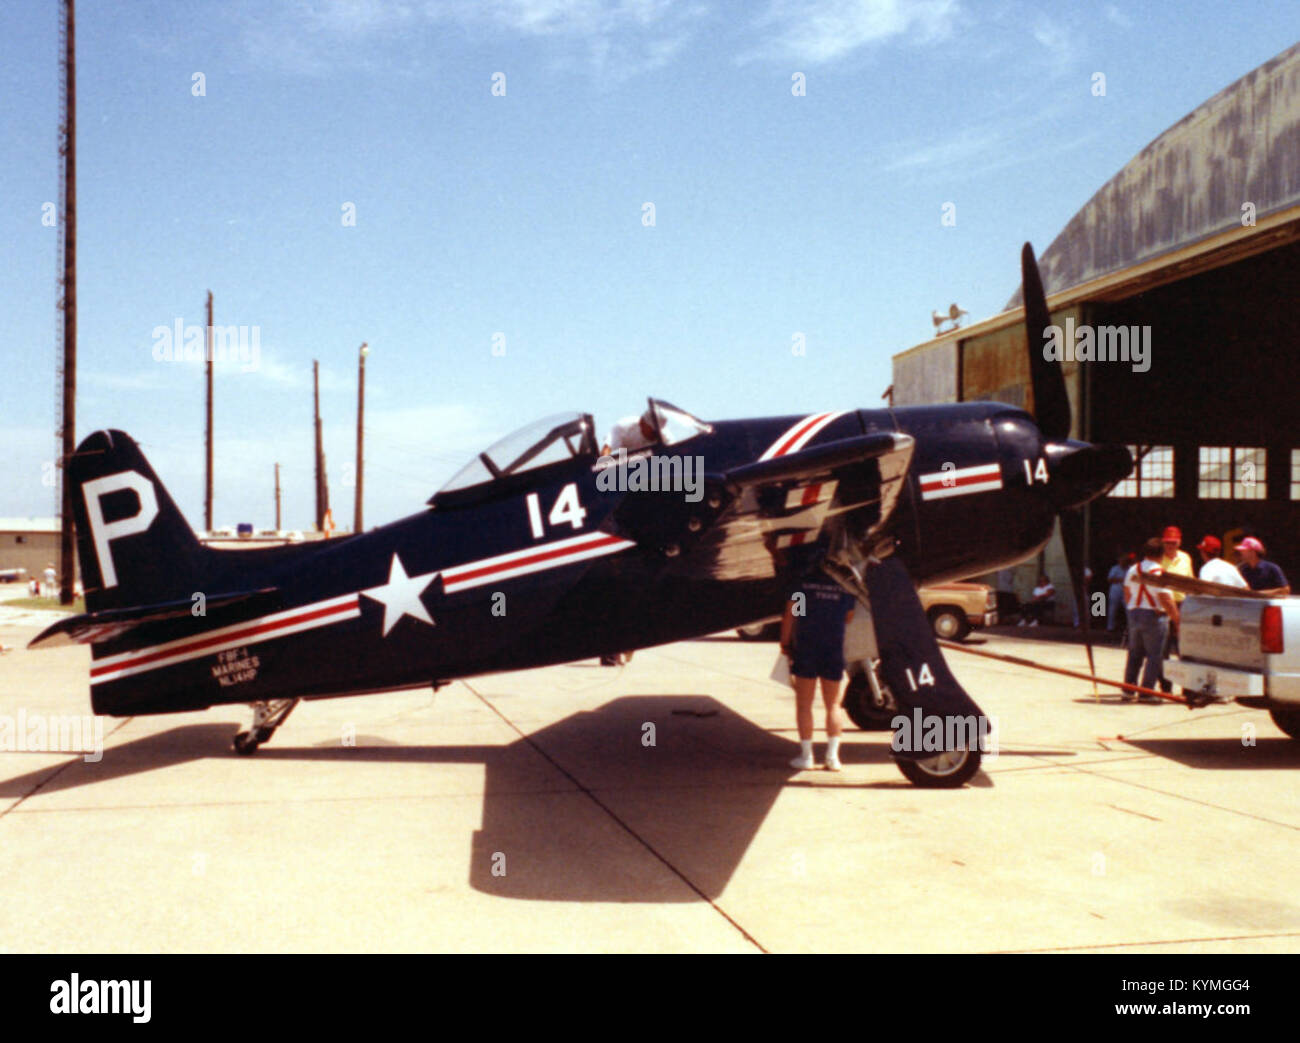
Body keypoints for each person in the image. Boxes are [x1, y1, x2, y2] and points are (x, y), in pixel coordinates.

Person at [779, 572, 856, 771]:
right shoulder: (844, 584)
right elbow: (849, 616)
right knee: (833, 704)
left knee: (804, 704)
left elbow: (793, 613)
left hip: (806, 646)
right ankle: (832, 757)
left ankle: (806, 756)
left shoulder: (802, 583)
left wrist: (785, 643)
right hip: (833, 648)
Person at [1122, 538, 1179, 702]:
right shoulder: (1159, 573)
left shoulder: (1134, 569)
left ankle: (1128, 689)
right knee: (1154, 655)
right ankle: (1146, 691)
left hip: (1134, 612)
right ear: (1162, 554)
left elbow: (1127, 592)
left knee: (1134, 653)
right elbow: (1166, 599)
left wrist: (1134, 607)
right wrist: (1177, 620)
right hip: (1153, 615)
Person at [1106, 552, 1130, 633]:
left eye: (1125, 560)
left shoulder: (1130, 569)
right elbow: (1110, 579)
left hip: (1126, 590)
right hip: (1115, 590)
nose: (1123, 562)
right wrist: (1121, 579)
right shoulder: (1115, 568)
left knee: (1128, 609)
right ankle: (1110, 627)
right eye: (1122, 560)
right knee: (1112, 609)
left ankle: (1130, 628)